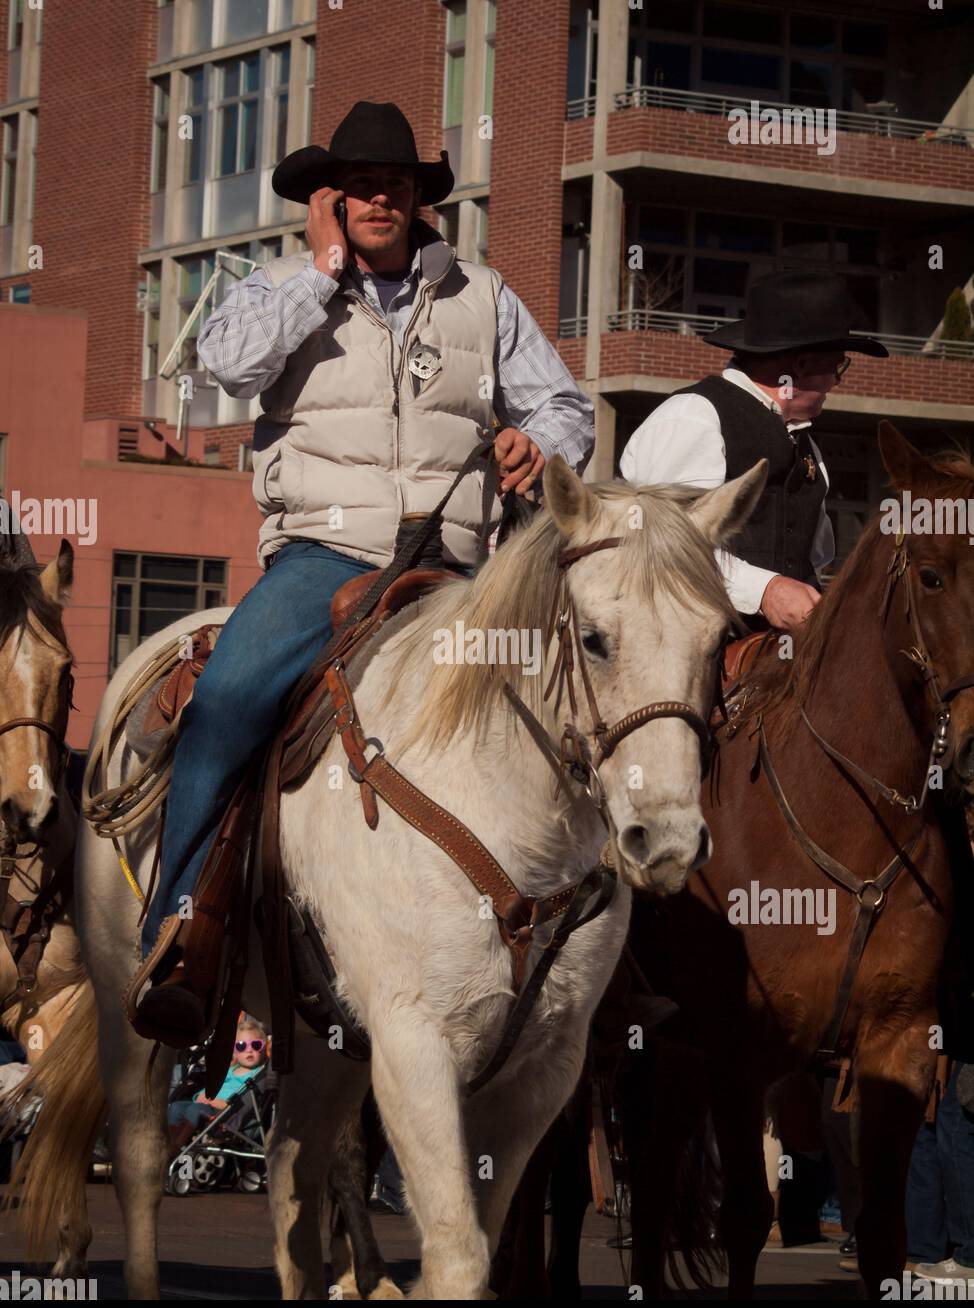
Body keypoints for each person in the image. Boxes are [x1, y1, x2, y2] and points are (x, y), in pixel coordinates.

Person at [128, 100, 594, 1045]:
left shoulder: (485, 296)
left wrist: (533, 446)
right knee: (225, 701)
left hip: (461, 567)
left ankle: (592, 959)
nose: (381, 198)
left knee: (594, 702)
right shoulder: (277, 289)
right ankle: (181, 930)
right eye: (359, 187)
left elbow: (568, 411)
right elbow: (226, 365)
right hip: (323, 557)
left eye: (397, 184)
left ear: (421, 196)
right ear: (331, 201)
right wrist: (323, 273)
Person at [620, 270, 888, 629]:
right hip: (685, 661)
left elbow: (815, 559)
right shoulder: (693, 417)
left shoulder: (807, 445)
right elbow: (663, 545)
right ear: (801, 366)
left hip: (776, 663)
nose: (839, 379)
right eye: (838, 364)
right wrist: (764, 590)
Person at [167, 1016, 267, 1152]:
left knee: (193, 1110)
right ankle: (172, 1139)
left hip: (222, 1115)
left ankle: (177, 1145)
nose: (249, 1050)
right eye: (242, 1046)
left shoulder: (257, 1075)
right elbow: (208, 1090)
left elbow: (236, 1104)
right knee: (176, 1107)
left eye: (256, 1045)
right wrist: (200, 1096)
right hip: (206, 1104)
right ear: (234, 1053)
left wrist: (215, 1102)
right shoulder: (229, 1071)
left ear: (263, 1048)